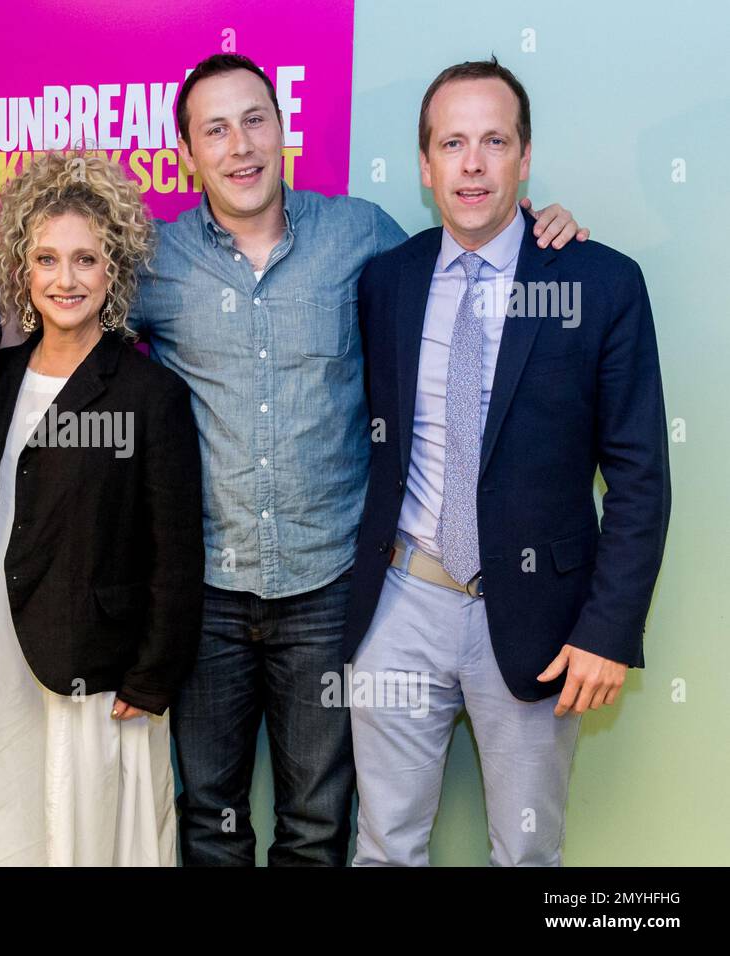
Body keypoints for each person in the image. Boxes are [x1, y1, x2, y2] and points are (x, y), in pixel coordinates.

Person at [127, 52, 588, 866]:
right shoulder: (153, 262)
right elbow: (54, 301)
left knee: (318, 825)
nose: (240, 146)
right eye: (216, 129)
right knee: (207, 818)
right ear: (187, 153)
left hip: (331, 589)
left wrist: (547, 230)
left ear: (284, 131)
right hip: (205, 593)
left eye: (256, 120)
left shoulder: (365, 237)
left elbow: (472, 256)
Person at [343, 57, 671, 865]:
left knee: (527, 857)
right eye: (452, 143)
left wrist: (608, 629)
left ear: (525, 158)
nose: (473, 163)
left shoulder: (600, 282)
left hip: (541, 620)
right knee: (384, 847)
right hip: (400, 605)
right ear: (425, 165)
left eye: (495, 141)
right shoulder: (388, 280)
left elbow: (640, 478)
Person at [0, 153, 203, 866]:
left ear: (113, 270)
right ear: (22, 271)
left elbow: (176, 553)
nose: (66, 279)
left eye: (86, 259)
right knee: (10, 813)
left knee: (86, 827)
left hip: (100, 660)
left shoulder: (152, 394)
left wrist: (153, 677)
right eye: (47, 258)